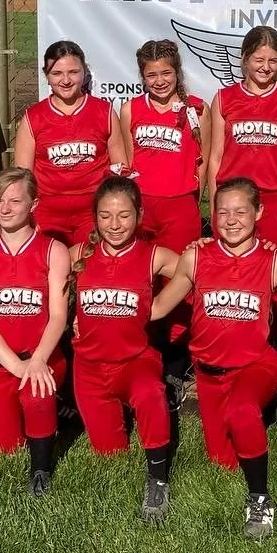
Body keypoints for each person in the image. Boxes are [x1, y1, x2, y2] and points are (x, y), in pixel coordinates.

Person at [152, 178, 277, 540]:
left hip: (256, 365)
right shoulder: (195, 257)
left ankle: (260, 499)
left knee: (241, 411)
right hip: (209, 374)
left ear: (259, 213)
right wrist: (98, 312)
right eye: (222, 211)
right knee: (222, 462)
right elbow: (159, 307)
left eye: (241, 211)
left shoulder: (274, 262)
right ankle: (273, 410)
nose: (231, 219)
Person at [69, 176, 181, 522]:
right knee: (110, 457)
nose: (114, 225)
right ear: (95, 217)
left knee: (150, 394)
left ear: (140, 215)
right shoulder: (78, 254)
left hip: (135, 363)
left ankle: (158, 478)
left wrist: (158, 307)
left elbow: (201, 269)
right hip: (89, 369)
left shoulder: (153, 255)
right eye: (105, 216)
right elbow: (34, 263)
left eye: (124, 215)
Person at [0, 168, 70, 496]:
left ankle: (41, 470)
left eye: (15, 201)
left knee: (37, 395)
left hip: (40, 358)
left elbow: (58, 317)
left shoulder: (53, 250)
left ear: (33, 204)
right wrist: (17, 366)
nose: (5, 208)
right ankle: (56, 409)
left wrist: (36, 361)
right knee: (5, 448)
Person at [13, 40, 125, 246]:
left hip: (94, 213)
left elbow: (120, 169)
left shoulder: (104, 112)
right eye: (57, 73)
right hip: (47, 215)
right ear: (46, 75)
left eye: (73, 72)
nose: (65, 80)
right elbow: (23, 178)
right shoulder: (33, 117)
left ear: (84, 72)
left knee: (90, 265)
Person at [206, 26, 277, 249]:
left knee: (271, 262)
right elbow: (216, 157)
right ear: (245, 59)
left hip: (274, 197)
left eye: (273, 61)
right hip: (232, 198)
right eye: (258, 60)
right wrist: (215, 205)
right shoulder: (224, 98)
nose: (266, 67)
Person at [121, 39, 207, 254]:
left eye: (166, 73)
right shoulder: (130, 109)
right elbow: (129, 161)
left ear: (177, 72)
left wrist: (192, 203)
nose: (159, 81)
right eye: (151, 75)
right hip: (141, 205)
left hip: (180, 206)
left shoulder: (197, 110)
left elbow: (203, 163)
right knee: (140, 268)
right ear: (143, 77)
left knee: (178, 270)